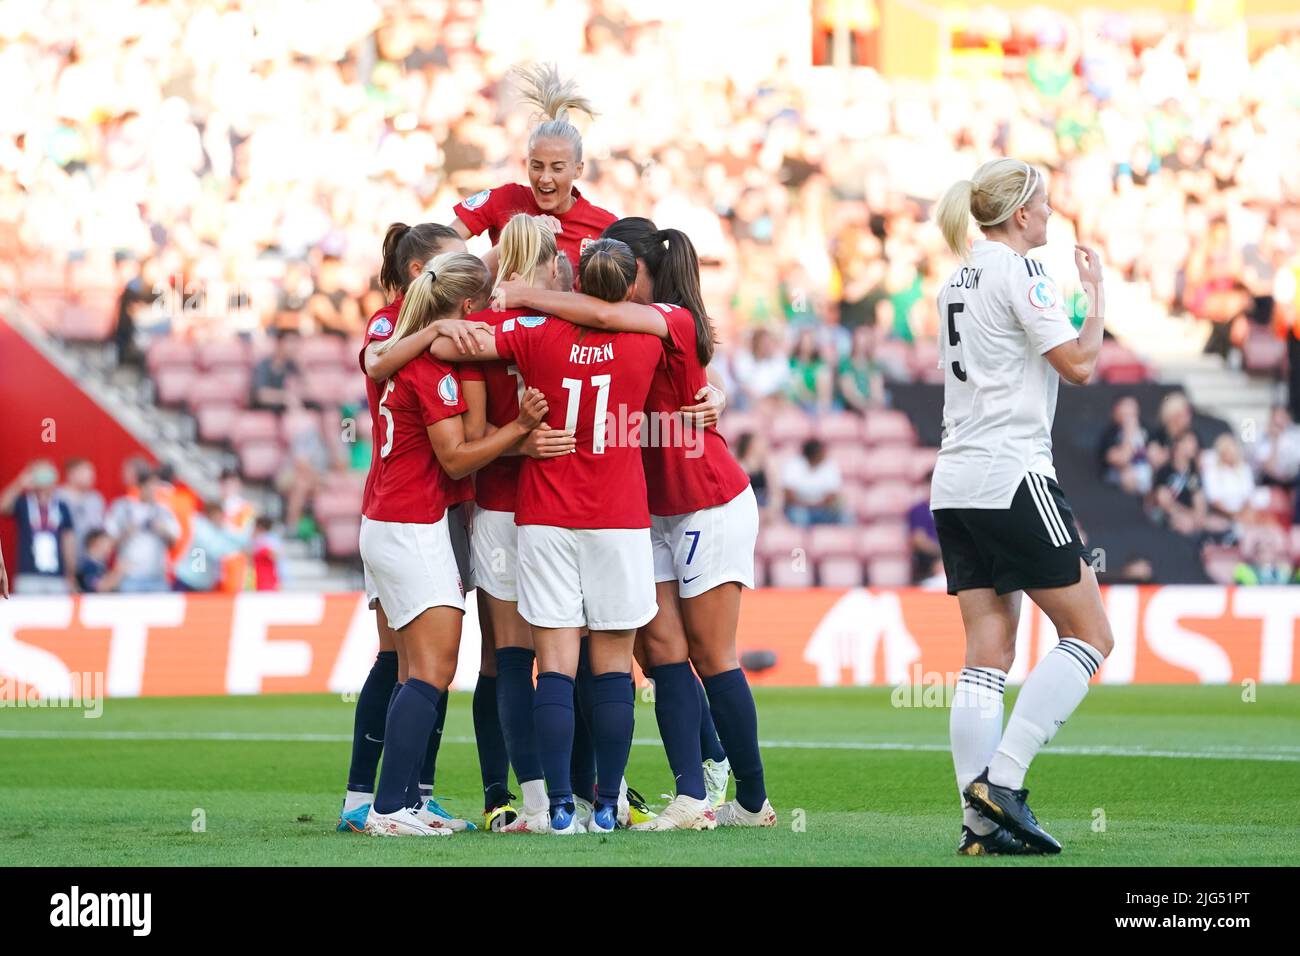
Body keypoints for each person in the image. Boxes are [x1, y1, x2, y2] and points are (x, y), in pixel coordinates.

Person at [496, 220, 774, 829]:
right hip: (644, 509)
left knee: (711, 651)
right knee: (664, 651)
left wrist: (523, 297)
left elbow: (604, 321)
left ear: (642, 273)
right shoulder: (617, 328)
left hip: (705, 496)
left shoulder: (666, 317)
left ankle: (752, 800)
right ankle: (692, 796)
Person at [432, 239, 665, 835]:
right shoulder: (649, 336)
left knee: (553, 667)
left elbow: (456, 339)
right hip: (618, 517)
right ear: (632, 286)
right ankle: (606, 806)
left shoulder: (536, 334)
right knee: (613, 668)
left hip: (546, 516)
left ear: (576, 281)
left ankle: (557, 807)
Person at [931, 158, 1114, 856]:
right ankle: (1002, 782)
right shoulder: (1022, 271)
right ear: (1018, 214)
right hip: (1012, 473)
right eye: (1043, 203)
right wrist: (1096, 300)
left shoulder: (956, 277)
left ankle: (978, 825)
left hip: (954, 480)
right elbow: (1079, 363)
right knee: (1092, 634)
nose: (1049, 212)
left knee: (987, 653)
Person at [359, 251, 550, 837]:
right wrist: (519, 429)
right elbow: (455, 456)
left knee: (415, 667)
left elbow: (376, 364)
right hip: (412, 524)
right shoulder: (432, 371)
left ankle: (395, 803)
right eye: (486, 303)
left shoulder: (403, 356)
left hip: (390, 519)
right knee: (433, 670)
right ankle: (391, 808)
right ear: (469, 308)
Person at [338, 221, 499, 835]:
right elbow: (378, 364)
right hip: (410, 510)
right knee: (408, 661)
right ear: (420, 275)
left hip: (431, 507)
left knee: (424, 663)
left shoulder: (437, 339)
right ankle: (372, 799)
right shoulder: (395, 327)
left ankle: (410, 795)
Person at [449, 64, 615, 285]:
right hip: (496, 317)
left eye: (557, 168)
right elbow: (441, 243)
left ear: (578, 169)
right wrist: (521, 235)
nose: (545, 178)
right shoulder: (505, 198)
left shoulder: (605, 226)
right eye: (537, 166)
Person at [0, 461, 77, 595]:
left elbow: (68, 541)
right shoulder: (23, 503)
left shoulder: (61, 506)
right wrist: (20, 483)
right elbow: (3, 506)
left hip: (57, 577)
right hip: (28, 576)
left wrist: (70, 574)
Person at [104, 469, 181, 592]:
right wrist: (128, 531)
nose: (154, 490)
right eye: (150, 485)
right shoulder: (123, 507)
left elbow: (174, 541)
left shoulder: (164, 511)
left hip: (157, 576)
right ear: (141, 486)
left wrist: (163, 530)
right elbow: (109, 542)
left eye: (156, 485)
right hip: (130, 576)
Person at [172, 502, 249, 592]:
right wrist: (237, 550)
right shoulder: (200, 528)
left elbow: (242, 539)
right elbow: (214, 551)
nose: (219, 519)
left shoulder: (216, 529)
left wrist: (226, 527)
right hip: (187, 579)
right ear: (210, 515)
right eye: (217, 516)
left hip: (202, 583)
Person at [781, 439, 847, 527]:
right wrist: (808, 505)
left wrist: (815, 505)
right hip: (800, 509)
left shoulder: (829, 465)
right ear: (813, 454)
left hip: (823, 510)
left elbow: (832, 495)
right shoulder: (793, 465)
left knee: (845, 516)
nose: (824, 456)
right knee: (799, 516)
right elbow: (788, 495)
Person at [1098, 394, 1152, 495]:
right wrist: (1129, 433)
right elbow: (1122, 459)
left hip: (1147, 474)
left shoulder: (1145, 429)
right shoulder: (1110, 434)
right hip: (1119, 478)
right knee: (1128, 477)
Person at [58, 458, 106, 555]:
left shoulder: (96, 499)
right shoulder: (58, 497)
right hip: (63, 556)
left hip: (90, 559)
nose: (91, 476)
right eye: (85, 472)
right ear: (71, 474)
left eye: (92, 473)